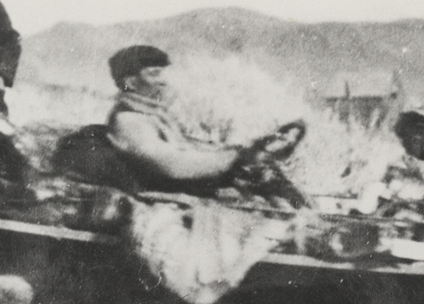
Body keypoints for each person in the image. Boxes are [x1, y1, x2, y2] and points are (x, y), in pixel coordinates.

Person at [101, 45, 306, 203]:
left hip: (184, 192)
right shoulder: (128, 120)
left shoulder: (153, 115)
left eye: (162, 73)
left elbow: (186, 146)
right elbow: (172, 164)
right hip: (165, 199)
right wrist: (233, 158)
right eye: (154, 74)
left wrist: (241, 150)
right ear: (131, 83)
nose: (164, 81)